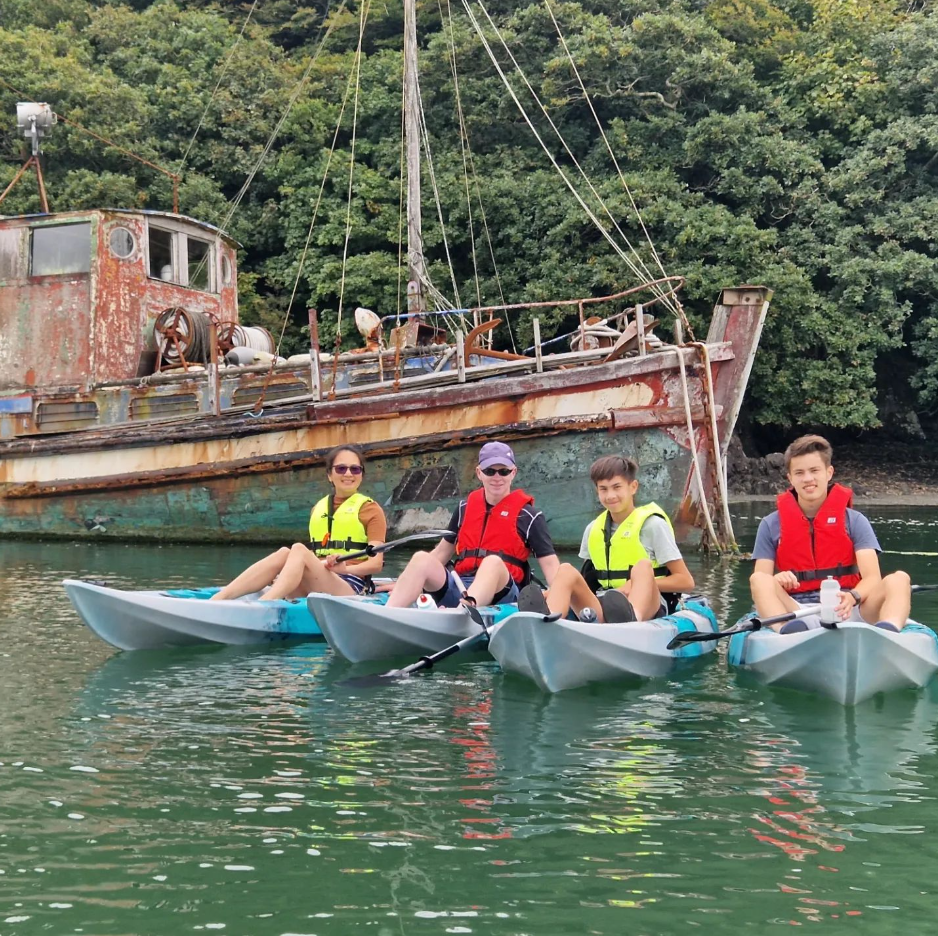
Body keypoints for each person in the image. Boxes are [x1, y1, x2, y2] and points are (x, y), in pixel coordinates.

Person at [749, 434, 912, 632]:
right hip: (796, 611)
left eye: (814, 470)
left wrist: (853, 597)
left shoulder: (854, 520)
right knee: (759, 579)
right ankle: (784, 631)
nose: (808, 478)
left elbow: (872, 578)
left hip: (851, 606)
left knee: (899, 578)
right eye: (799, 473)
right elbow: (762, 579)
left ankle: (890, 630)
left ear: (829, 472)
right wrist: (777, 579)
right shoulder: (770, 525)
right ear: (790, 478)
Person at [518, 454, 695, 622]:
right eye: (603, 489)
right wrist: (553, 592)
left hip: (650, 609)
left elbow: (685, 581)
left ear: (633, 487)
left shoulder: (653, 526)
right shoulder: (593, 529)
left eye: (617, 487)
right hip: (606, 606)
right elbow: (586, 581)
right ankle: (546, 618)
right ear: (597, 491)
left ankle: (631, 617)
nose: (610, 496)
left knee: (643, 567)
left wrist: (632, 585)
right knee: (565, 570)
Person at [385, 441, 559, 609]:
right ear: (479, 473)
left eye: (504, 471)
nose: (497, 477)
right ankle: (388, 612)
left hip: (503, 596)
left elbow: (551, 565)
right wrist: (405, 581)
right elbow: (441, 553)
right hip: (461, 586)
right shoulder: (464, 508)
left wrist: (559, 598)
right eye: (490, 471)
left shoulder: (530, 516)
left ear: (513, 473)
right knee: (421, 558)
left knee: (492, 563)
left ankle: (462, 613)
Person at [210, 444, 386, 601]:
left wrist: (345, 569)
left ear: (361, 475)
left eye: (355, 469)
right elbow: (317, 555)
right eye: (341, 469)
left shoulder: (370, 509)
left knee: (299, 549)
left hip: (348, 586)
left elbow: (376, 564)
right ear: (329, 475)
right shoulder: (319, 508)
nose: (348, 474)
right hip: (318, 580)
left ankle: (266, 602)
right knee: (284, 553)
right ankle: (219, 599)